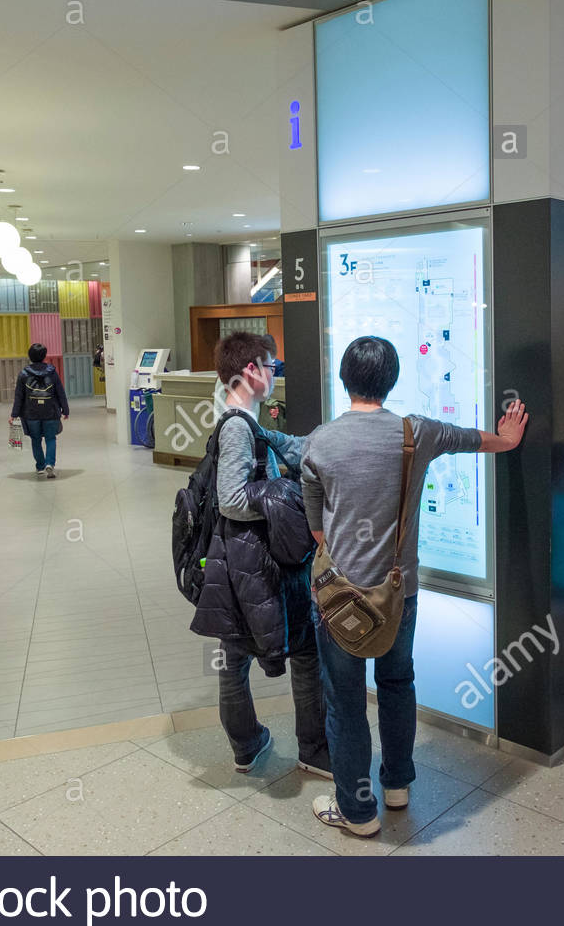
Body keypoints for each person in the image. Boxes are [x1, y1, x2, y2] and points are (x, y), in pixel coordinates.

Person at [300, 336, 528, 837]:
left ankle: (358, 812)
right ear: (392, 379)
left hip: (339, 598)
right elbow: (469, 439)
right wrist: (507, 441)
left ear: (344, 379)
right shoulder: (414, 433)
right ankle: (398, 784)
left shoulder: (320, 441)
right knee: (398, 683)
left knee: (344, 699)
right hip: (399, 592)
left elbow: (316, 528)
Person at [191, 332, 330, 778]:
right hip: (255, 564)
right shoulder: (235, 428)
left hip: (235, 562)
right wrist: (280, 494)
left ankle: (247, 745)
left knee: (234, 654)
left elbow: (285, 445)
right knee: (305, 650)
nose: (274, 375)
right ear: (250, 370)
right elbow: (231, 498)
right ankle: (314, 747)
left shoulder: (241, 420)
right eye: (272, 366)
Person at [10, 343, 69, 478]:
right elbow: (60, 392)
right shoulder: (52, 372)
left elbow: (19, 396)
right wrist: (65, 410)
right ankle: (50, 464)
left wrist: (14, 414)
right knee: (50, 438)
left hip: (31, 413)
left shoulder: (24, 374)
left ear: (30, 356)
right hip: (51, 412)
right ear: (44, 356)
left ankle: (40, 466)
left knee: (35, 439)